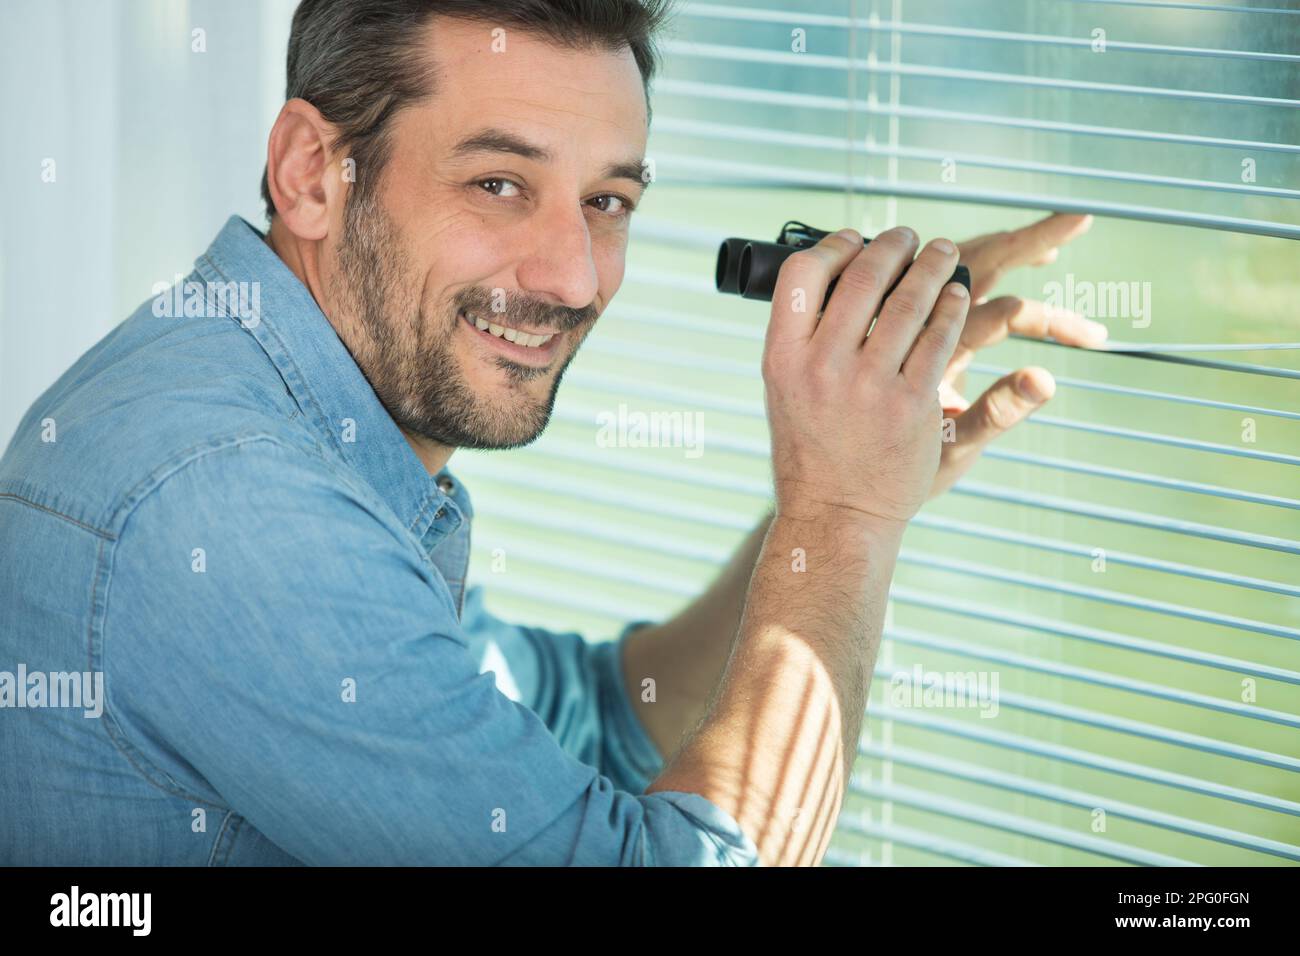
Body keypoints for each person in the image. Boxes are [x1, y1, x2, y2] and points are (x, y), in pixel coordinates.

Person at [0, 0, 1104, 866]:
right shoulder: (235, 507)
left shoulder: (292, 416)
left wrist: (835, 501)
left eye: (607, 201)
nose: (572, 276)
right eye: (498, 182)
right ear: (311, 174)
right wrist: (847, 514)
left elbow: (603, 714)